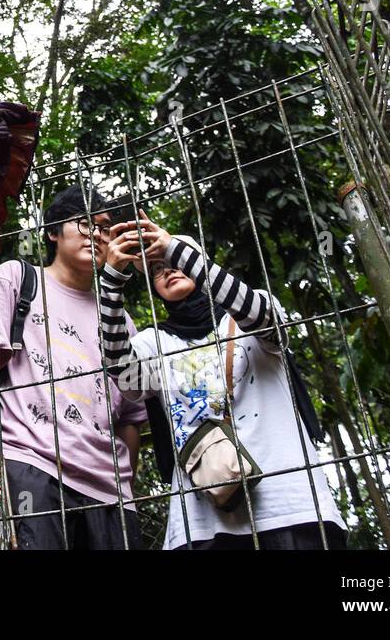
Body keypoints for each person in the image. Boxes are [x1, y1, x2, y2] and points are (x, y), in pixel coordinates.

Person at [98, 213, 347, 549]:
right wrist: (112, 279)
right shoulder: (154, 342)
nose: (166, 269)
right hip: (203, 519)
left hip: (289, 502)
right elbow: (123, 376)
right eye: (156, 270)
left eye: (172, 261)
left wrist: (173, 247)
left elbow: (263, 318)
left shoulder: (247, 311)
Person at [0, 185, 148, 549]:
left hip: (111, 491)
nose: (96, 234)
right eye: (84, 223)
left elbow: (131, 414)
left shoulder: (121, 320)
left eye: (105, 227)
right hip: (33, 466)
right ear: (52, 232)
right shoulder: (17, 278)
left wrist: (127, 478)